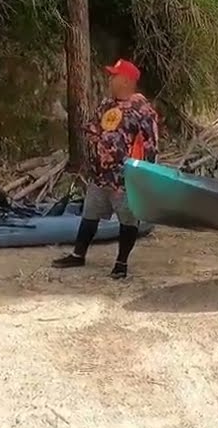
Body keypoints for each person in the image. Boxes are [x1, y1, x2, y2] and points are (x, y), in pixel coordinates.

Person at [52, 59, 159, 279]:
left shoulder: (142, 110)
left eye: (115, 76)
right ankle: (78, 255)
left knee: (127, 220)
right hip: (100, 175)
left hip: (125, 179)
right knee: (90, 214)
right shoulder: (106, 104)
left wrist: (144, 177)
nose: (110, 80)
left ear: (127, 81)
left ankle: (121, 264)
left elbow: (151, 145)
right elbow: (92, 128)